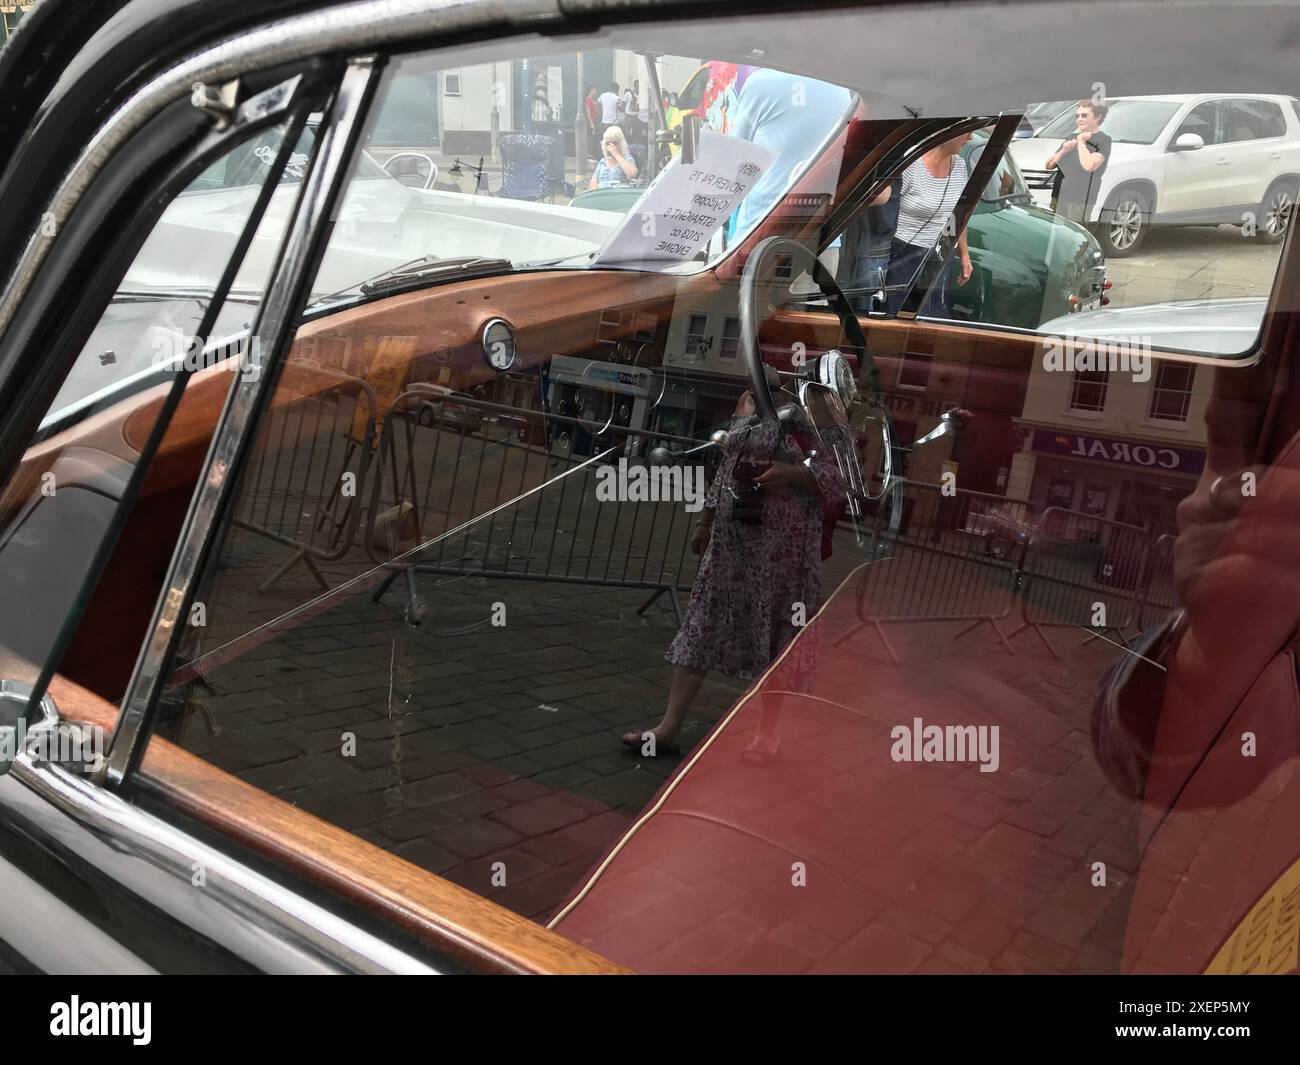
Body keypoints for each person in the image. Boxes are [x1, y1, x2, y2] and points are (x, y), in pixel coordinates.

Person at [621, 391, 846, 754]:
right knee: (702, 628)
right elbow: (728, 463)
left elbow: (839, 483)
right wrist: (705, 520)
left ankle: (766, 733)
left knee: (775, 639)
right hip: (731, 546)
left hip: (781, 555)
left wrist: (793, 473)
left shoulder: (825, 410)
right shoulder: (753, 398)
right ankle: (669, 727)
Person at [728, 69, 853, 235]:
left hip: (760, 231)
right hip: (822, 232)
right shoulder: (843, 86)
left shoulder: (761, 82)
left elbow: (734, 158)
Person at [884, 132, 973, 317]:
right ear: (946, 132)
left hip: (940, 254)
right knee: (897, 313)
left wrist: (964, 254)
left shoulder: (960, 166)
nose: (970, 137)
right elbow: (887, 207)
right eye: (967, 132)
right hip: (903, 253)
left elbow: (958, 215)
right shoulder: (912, 164)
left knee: (933, 314)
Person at [1044, 99, 1111, 224]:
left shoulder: (1103, 140)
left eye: (1084, 115)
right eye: (1077, 116)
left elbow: (1089, 166)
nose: (1079, 119)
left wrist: (1081, 143)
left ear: (1098, 117)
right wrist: (1063, 150)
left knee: (1074, 235)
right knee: (1055, 233)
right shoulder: (1071, 138)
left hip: (1080, 199)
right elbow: (1048, 165)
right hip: (1058, 196)